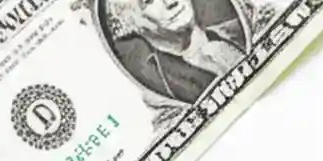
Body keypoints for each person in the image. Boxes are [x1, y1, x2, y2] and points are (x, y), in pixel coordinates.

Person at [106, 0, 248, 104]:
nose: (171, 2)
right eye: (150, 1)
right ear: (131, 21)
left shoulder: (242, 28)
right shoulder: (159, 98)